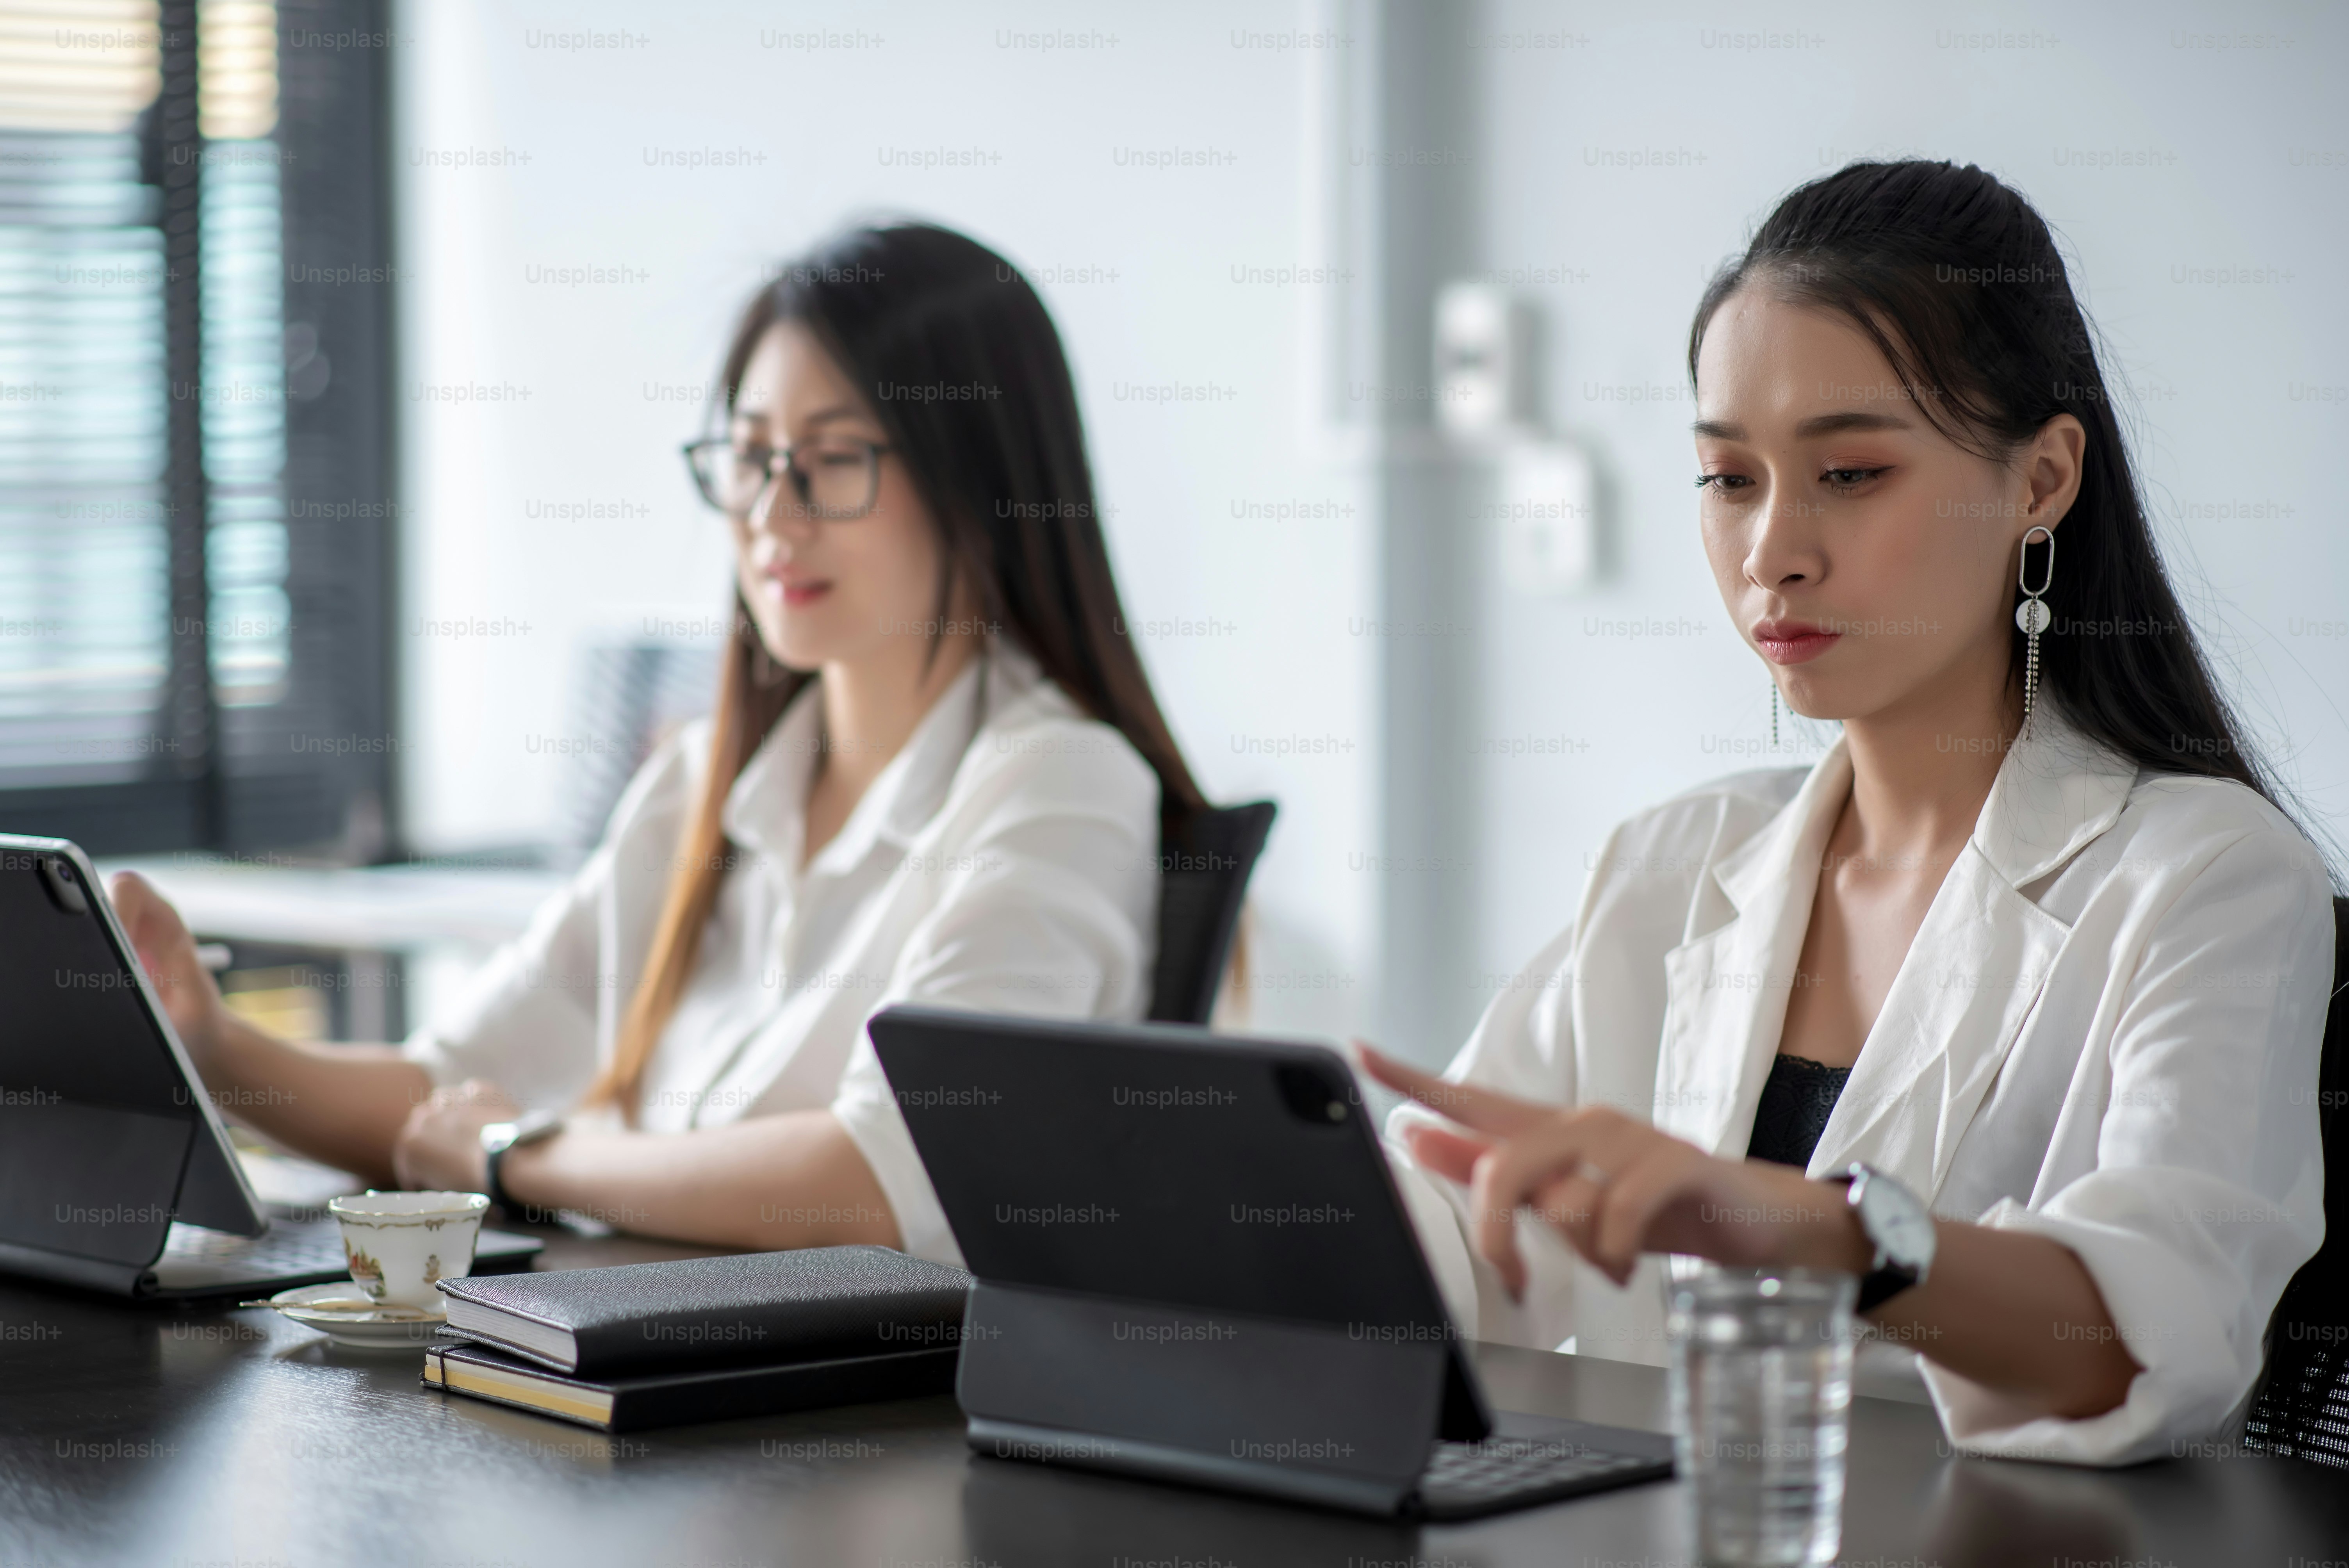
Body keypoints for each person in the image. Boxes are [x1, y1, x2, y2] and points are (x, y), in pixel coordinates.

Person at [1362, 160, 2332, 1466]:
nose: (1773, 552)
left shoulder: (2210, 878)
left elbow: (2153, 1329)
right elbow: (1449, 1217)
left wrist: (1814, 1227)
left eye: (1852, 474)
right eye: (1729, 480)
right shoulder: (1671, 863)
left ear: (2042, 481)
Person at [113, 221, 1206, 1264]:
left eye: (832, 461)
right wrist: (206, 1043)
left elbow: (879, 1182)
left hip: (850, 1433)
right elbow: (444, 1094)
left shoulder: (1059, 781)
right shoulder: (703, 786)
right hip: (634, 1389)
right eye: (749, 457)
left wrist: (525, 1157)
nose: (772, 520)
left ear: (978, 485)